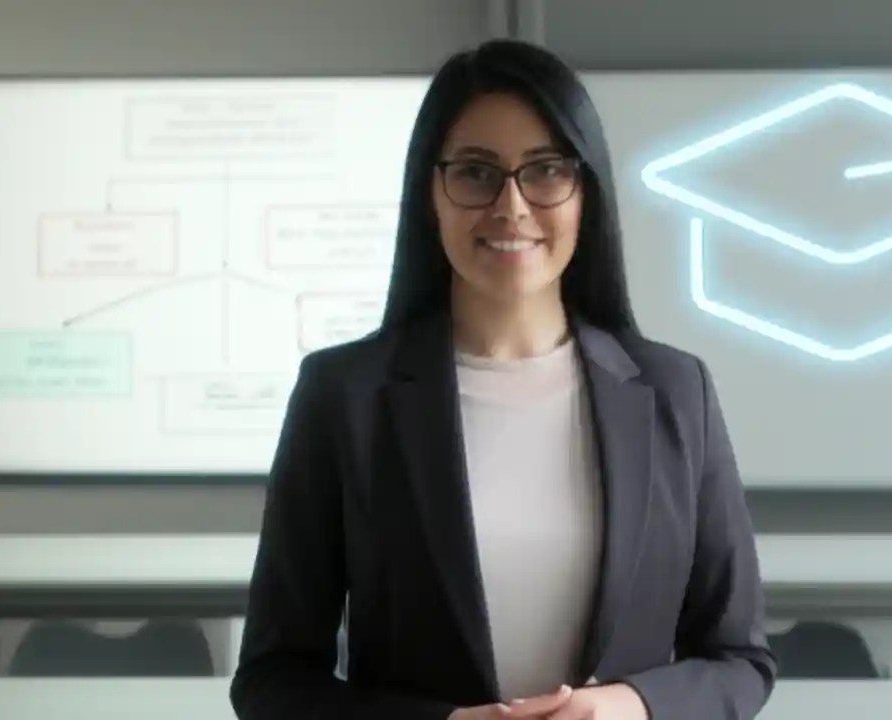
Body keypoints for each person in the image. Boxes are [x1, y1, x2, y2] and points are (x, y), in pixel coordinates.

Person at [229, 39, 777, 720]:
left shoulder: (676, 392)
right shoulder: (344, 396)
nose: (511, 207)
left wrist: (633, 706)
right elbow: (273, 679)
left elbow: (739, 660)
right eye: (476, 173)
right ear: (431, 193)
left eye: (546, 171)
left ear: (586, 192)